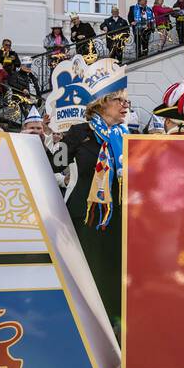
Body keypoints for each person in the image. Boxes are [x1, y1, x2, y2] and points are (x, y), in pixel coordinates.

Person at [60, 61, 130, 338]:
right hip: (86, 216)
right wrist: (53, 146)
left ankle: (116, 326)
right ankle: (87, 329)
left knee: (116, 272)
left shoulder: (127, 136)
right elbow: (55, 163)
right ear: (102, 103)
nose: (125, 105)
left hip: (120, 216)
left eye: (126, 101)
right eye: (118, 100)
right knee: (91, 272)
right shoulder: (80, 132)